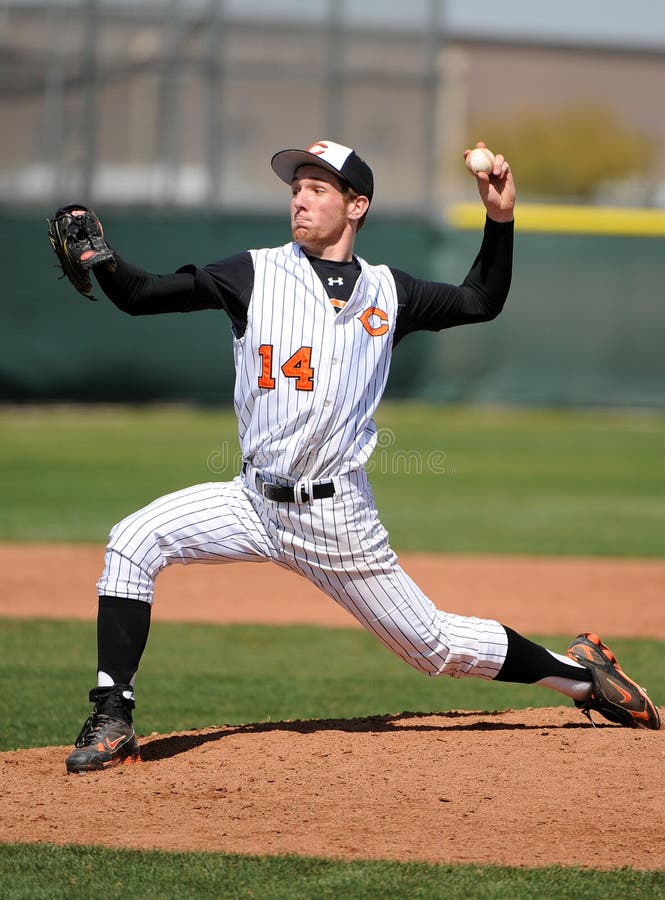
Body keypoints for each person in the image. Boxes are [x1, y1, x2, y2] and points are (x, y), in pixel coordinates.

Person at [63, 139, 660, 773]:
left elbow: (481, 300)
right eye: (297, 186)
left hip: (338, 519)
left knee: (434, 648)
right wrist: (102, 258)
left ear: (357, 205)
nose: (300, 197)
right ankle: (112, 714)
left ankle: (580, 677)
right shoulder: (252, 273)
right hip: (251, 501)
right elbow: (144, 295)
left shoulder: (388, 292)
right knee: (132, 541)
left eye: (319, 188)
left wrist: (500, 217)